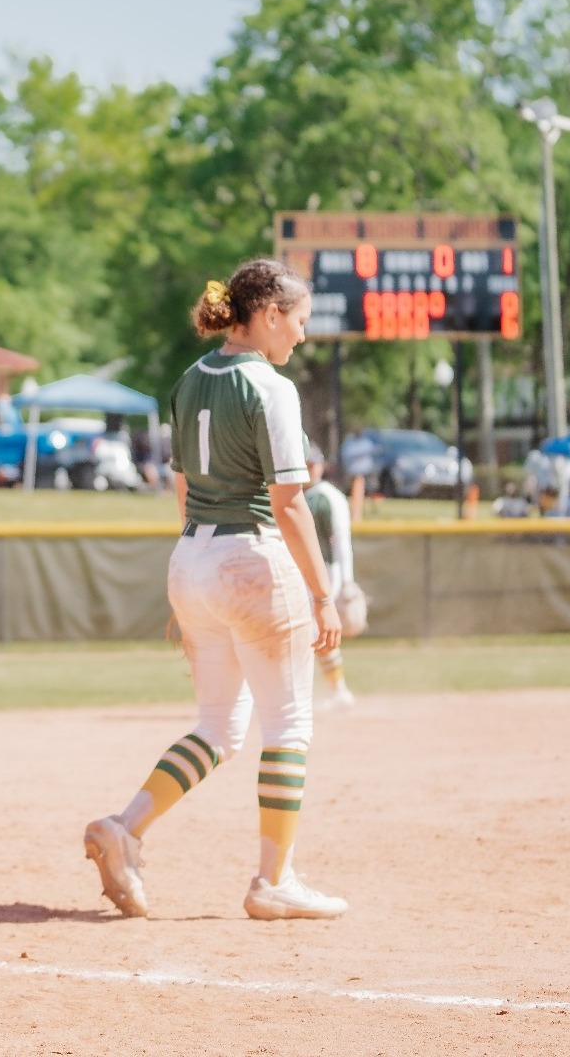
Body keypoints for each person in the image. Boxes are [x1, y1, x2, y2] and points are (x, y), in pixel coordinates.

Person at [83, 259, 347, 923]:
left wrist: (200, 582)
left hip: (193, 556)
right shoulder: (271, 387)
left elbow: (182, 489)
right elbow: (289, 502)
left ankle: (124, 828)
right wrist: (323, 594)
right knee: (288, 725)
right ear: (268, 315)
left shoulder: (189, 380)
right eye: (299, 320)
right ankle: (274, 881)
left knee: (219, 727)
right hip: (250, 556)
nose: (302, 335)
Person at [303, 444, 358, 708]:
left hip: (326, 570)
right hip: (303, 571)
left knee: (316, 630)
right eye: (306, 463)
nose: (310, 468)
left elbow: (341, 541)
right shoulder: (298, 495)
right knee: (308, 631)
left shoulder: (326, 496)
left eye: (314, 463)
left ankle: (339, 690)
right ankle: (334, 690)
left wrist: (347, 580)